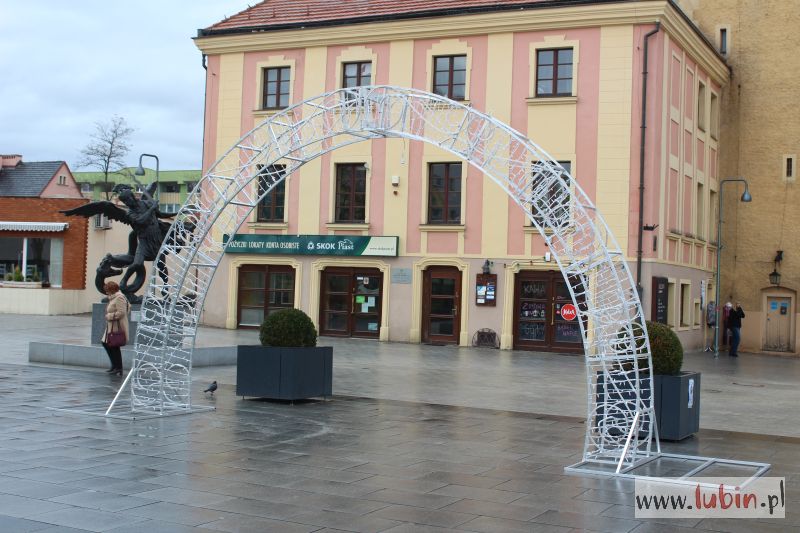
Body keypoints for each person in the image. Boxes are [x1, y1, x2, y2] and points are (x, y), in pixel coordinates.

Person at [102, 281, 129, 375]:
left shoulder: (119, 297)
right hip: (111, 325)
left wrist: (110, 316)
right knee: (107, 344)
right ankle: (115, 366)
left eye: (107, 290)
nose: (106, 293)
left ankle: (118, 367)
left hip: (116, 325)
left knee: (114, 346)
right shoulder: (114, 297)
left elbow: (122, 312)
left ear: (112, 290)